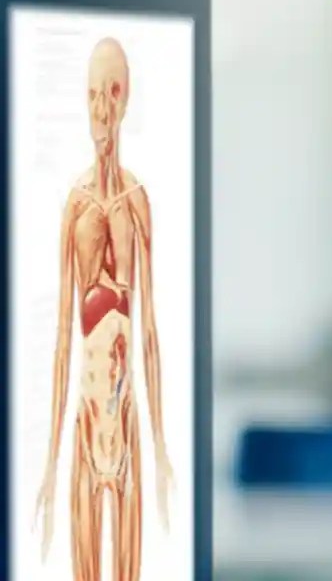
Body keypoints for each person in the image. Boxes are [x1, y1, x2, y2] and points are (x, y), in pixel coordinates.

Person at [32, 37, 173, 581]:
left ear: (127, 99)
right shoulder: (76, 205)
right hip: (87, 425)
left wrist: (159, 447)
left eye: (112, 93)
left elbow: (151, 331)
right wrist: (49, 466)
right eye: (93, 94)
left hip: (129, 420)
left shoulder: (137, 201)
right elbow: (64, 338)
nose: (101, 109)